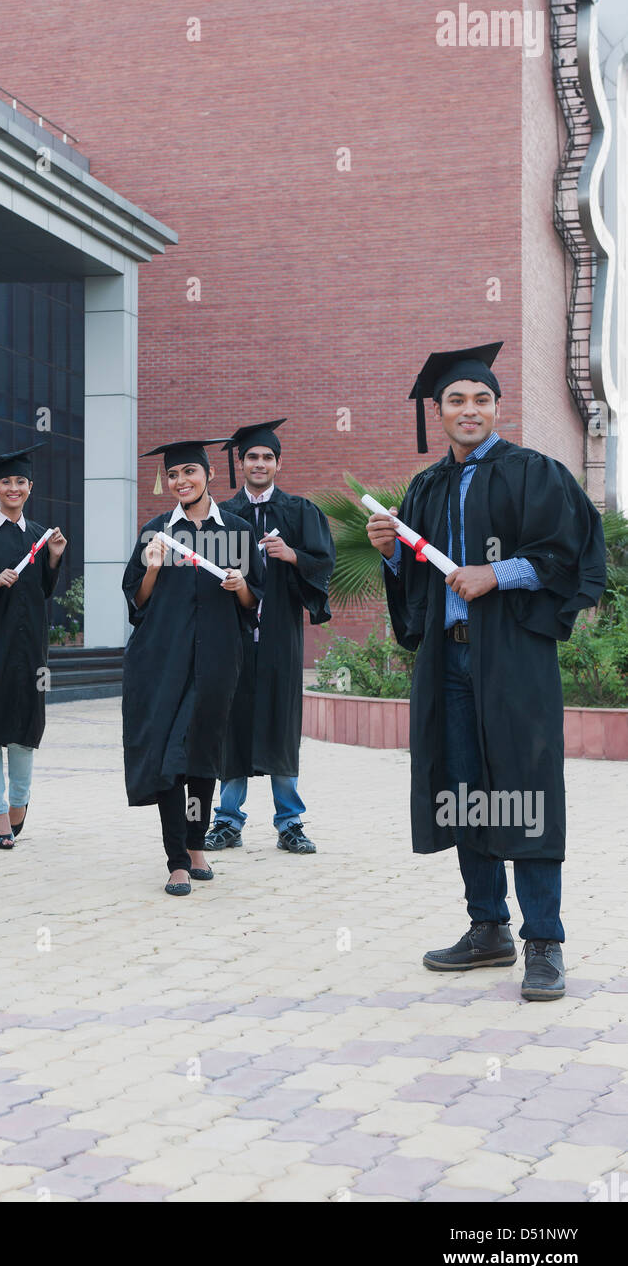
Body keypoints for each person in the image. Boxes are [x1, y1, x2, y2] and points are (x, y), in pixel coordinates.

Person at [367, 342, 606, 1000]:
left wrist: (495, 574)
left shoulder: (536, 473)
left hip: (514, 655)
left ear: (498, 407)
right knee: (463, 786)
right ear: (437, 412)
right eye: (455, 400)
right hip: (450, 658)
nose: (468, 410)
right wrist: (391, 554)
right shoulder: (426, 487)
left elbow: (566, 552)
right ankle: (488, 928)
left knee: (525, 787)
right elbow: (416, 583)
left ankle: (545, 942)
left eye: (480, 399)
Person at [122, 437, 265, 896]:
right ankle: (177, 859)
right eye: (175, 474)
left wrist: (241, 584)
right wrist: (151, 569)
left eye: (190, 472)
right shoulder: (157, 531)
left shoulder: (237, 531)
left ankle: (197, 846)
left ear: (209, 475)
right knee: (168, 757)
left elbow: (253, 603)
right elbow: (137, 604)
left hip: (218, 659)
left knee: (203, 754)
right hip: (162, 662)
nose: (182, 481)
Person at [205, 420, 335, 854]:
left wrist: (292, 554)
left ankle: (289, 823)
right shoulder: (220, 515)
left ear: (279, 463)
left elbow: (323, 563)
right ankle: (227, 820)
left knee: (281, 724)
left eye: (267, 457)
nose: (260, 463)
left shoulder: (299, 512)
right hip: (234, 637)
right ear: (239, 463)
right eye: (252, 457)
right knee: (232, 723)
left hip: (280, 635)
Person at [0, 444, 66, 848]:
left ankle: (20, 799)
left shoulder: (39, 537)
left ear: (30, 487)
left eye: (20, 481)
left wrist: (54, 558)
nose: (14, 488)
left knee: (24, 728)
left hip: (30, 650)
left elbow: (44, 591)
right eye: (6, 482)